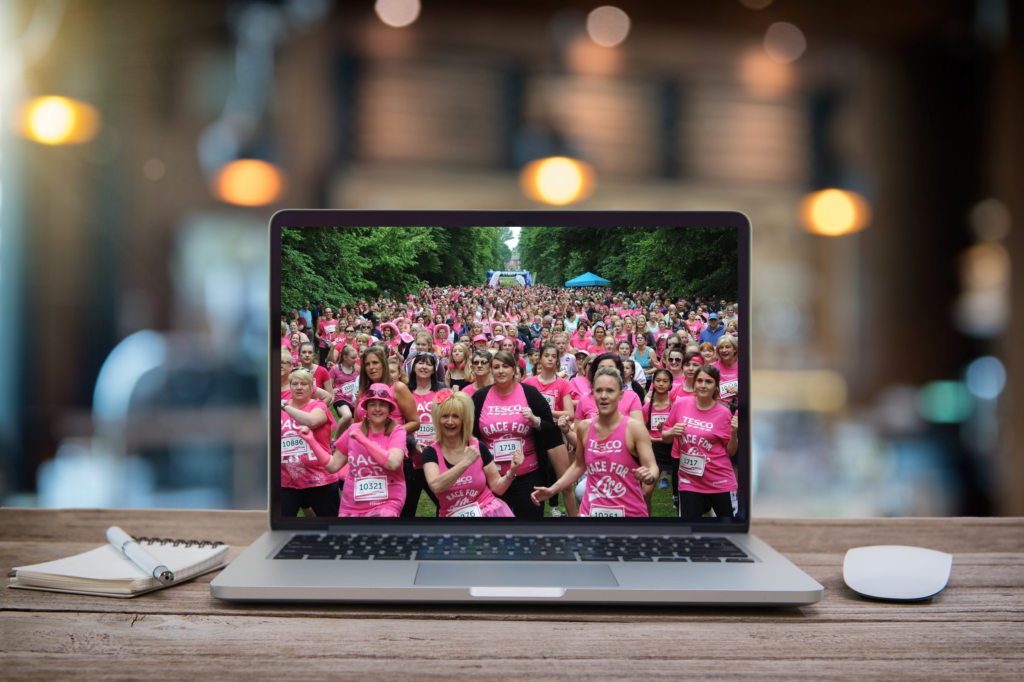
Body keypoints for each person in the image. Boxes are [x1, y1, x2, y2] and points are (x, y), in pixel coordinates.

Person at [532, 366, 657, 518]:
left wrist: (648, 476)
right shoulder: (585, 427)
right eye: (598, 391)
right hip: (590, 512)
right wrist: (553, 489)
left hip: (629, 514)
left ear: (621, 395)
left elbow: (652, 466)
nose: (603, 396)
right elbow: (579, 465)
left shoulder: (634, 428)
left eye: (610, 391)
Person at [470, 350, 567, 519]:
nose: (501, 371)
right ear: (491, 371)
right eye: (496, 367)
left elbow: (551, 430)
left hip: (529, 475)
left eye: (505, 366)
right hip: (493, 477)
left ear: (515, 370)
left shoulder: (530, 394)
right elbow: (469, 435)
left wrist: (536, 422)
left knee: (529, 530)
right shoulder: (480, 397)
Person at [422, 390, 519, 517]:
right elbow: (436, 486)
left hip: (487, 511)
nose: (450, 421)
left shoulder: (478, 447)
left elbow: (497, 488)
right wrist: (466, 462)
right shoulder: (430, 452)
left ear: (464, 420)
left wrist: (512, 471)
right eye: (445, 416)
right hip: (452, 516)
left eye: (456, 416)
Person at [660, 365, 739, 518]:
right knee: (689, 529)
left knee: (728, 528)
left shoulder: (723, 412)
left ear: (716, 386)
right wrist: (671, 432)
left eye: (708, 382)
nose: (703, 385)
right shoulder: (680, 404)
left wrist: (734, 433)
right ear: (694, 383)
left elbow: (730, 451)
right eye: (700, 381)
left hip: (719, 479)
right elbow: (665, 436)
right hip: (689, 479)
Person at [330, 384, 408, 517]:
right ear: (366, 408)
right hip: (352, 502)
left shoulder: (397, 430)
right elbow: (333, 465)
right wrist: (311, 441)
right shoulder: (354, 429)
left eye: (383, 404)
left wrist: (364, 441)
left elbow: (394, 463)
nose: (377, 409)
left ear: (390, 408)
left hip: (387, 500)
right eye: (372, 404)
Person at [281, 368, 341, 517]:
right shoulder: (277, 409)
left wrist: (284, 407)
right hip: (287, 481)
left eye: (304, 384)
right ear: (290, 386)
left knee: (331, 526)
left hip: (320, 480)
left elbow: (312, 421)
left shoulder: (318, 406)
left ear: (311, 388)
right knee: (281, 527)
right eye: (295, 384)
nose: (299, 387)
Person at [402, 353, 446, 517]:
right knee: (407, 510)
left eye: (428, 364)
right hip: (411, 462)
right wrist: (413, 443)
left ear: (434, 370)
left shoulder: (443, 389)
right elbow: (398, 425)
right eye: (420, 363)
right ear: (413, 367)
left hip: (438, 459)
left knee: (444, 505)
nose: (424, 367)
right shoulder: (405, 391)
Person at [572, 353, 643, 423]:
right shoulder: (584, 400)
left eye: (610, 368)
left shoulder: (632, 397)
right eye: (601, 368)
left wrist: (616, 418)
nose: (605, 372)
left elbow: (639, 431)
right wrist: (567, 431)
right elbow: (578, 432)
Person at [643, 368, 678, 508]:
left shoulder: (676, 406)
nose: (661, 384)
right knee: (645, 493)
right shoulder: (646, 408)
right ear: (653, 383)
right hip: (654, 453)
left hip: (674, 451)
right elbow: (642, 432)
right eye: (658, 380)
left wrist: (661, 437)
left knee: (680, 495)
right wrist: (657, 439)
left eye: (665, 381)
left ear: (670, 384)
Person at [328, 344, 359, 436]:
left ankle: (344, 445)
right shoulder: (335, 369)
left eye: (356, 358)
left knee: (353, 430)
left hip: (353, 401)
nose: (355, 360)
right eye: (353, 358)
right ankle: (335, 439)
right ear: (345, 357)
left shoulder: (358, 369)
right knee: (347, 415)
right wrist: (332, 391)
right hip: (340, 398)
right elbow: (328, 385)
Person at [714, 334, 739, 404]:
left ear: (735, 349)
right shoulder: (712, 368)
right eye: (721, 347)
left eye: (727, 347)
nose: (724, 350)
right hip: (718, 407)